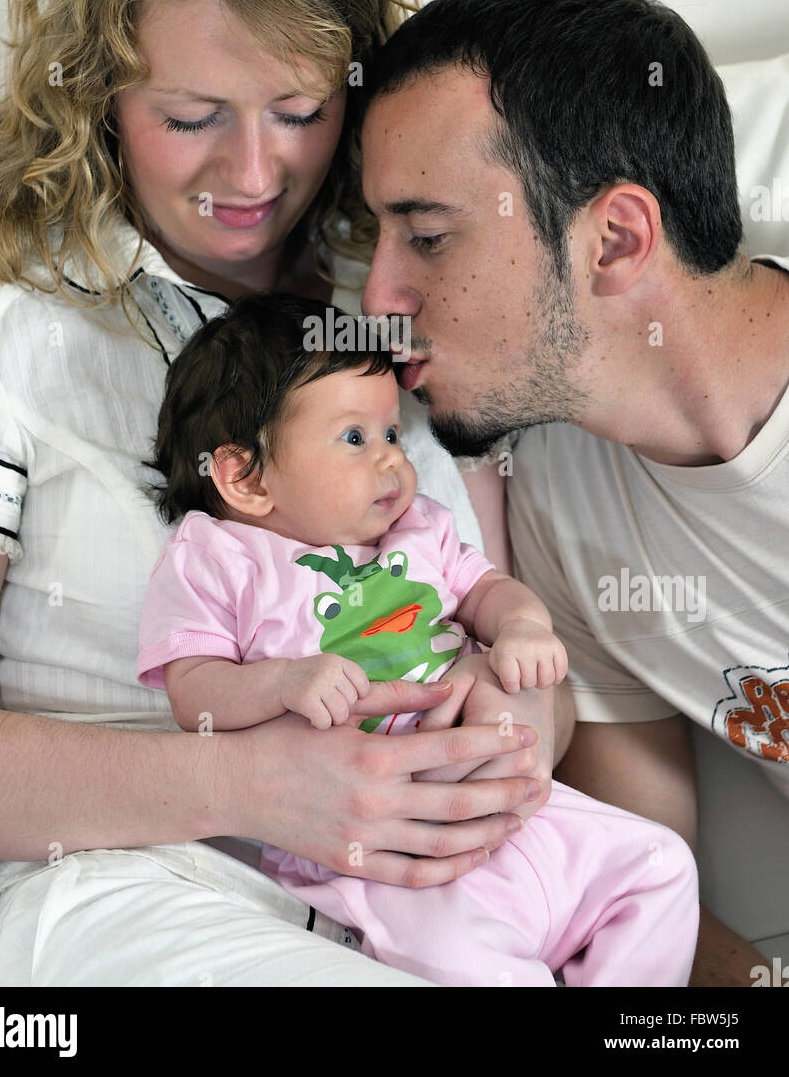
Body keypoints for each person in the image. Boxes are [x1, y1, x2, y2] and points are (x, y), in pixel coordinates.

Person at [0, 0, 570, 987]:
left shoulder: (412, 276)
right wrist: (250, 779)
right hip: (148, 886)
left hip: (449, 887)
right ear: (97, 92)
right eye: (190, 118)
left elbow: (514, 640)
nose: (254, 175)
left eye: (297, 108)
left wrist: (506, 732)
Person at [357, 0, 788, 986]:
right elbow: (635, 906)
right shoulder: (555, 501)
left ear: (615, 239)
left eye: (425, 236)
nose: (376, 294)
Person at [136, 291, 699, 988]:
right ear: (244, 476)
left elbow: (487, 591)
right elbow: (195, 692)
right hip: (390, 858)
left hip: (523, 811)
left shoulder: (420, 529)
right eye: (354, 439)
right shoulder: (214, 558)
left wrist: (521, 627)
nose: (392, 462)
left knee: (660, 865)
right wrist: (280, 681)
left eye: (392, 435)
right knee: (468, 962)